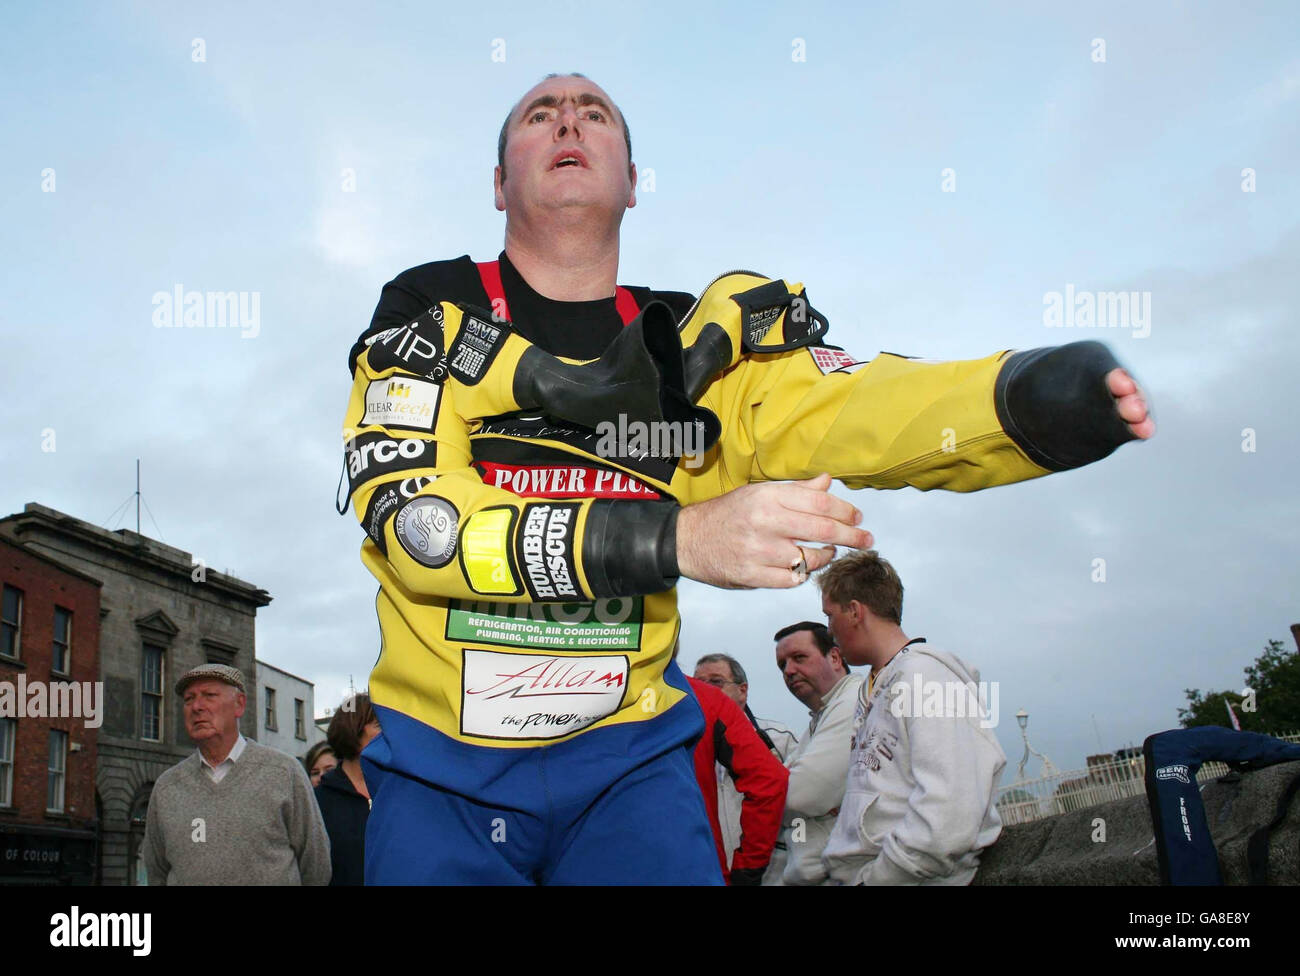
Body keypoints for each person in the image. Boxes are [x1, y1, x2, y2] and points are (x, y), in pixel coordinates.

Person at [341, 73, 1154, 885]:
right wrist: (679, 537)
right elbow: (421, 523)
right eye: (539, 114)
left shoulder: (697, 340)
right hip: (443, 772)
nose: (568, 122)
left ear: (631, 181)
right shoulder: (429, 307)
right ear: (496, 183)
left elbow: (840, 404)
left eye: (595, 114)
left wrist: (1021, 402)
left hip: (631, 765)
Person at [818, 550, 1005, 885]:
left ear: (855, 611)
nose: (829, 630)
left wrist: (879, 878)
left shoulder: (925, 675)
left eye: (830, 616)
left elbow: (950, 809)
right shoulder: (873, 687)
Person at [141, 664, 331, 886]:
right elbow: (157, 872)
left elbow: (316, 866)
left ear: (239, 705)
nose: (197, 707)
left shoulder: (284, 773)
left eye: (209, 695)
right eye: (189, 699)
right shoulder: (167, 787)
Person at [766, 622, 863, 885]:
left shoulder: (855, 702)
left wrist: (793, 800)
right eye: (782, 664)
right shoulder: (819, 719)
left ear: (834, 657)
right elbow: (785, 798)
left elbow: (798, 795)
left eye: (799, 658)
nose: (789, 671)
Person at [694, 653, 797, 870]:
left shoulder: (780, 738)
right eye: (698, 682)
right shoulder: (683, 747)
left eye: (716, 681)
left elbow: (803, 801)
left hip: (771, 871)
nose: (705, 689)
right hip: (711, 870)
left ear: (743, 690)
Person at [315, 693, 380, 886]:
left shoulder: (400, 792)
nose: (390, 732)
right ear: (355, 731)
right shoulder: (320, 802)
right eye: (379, 725)